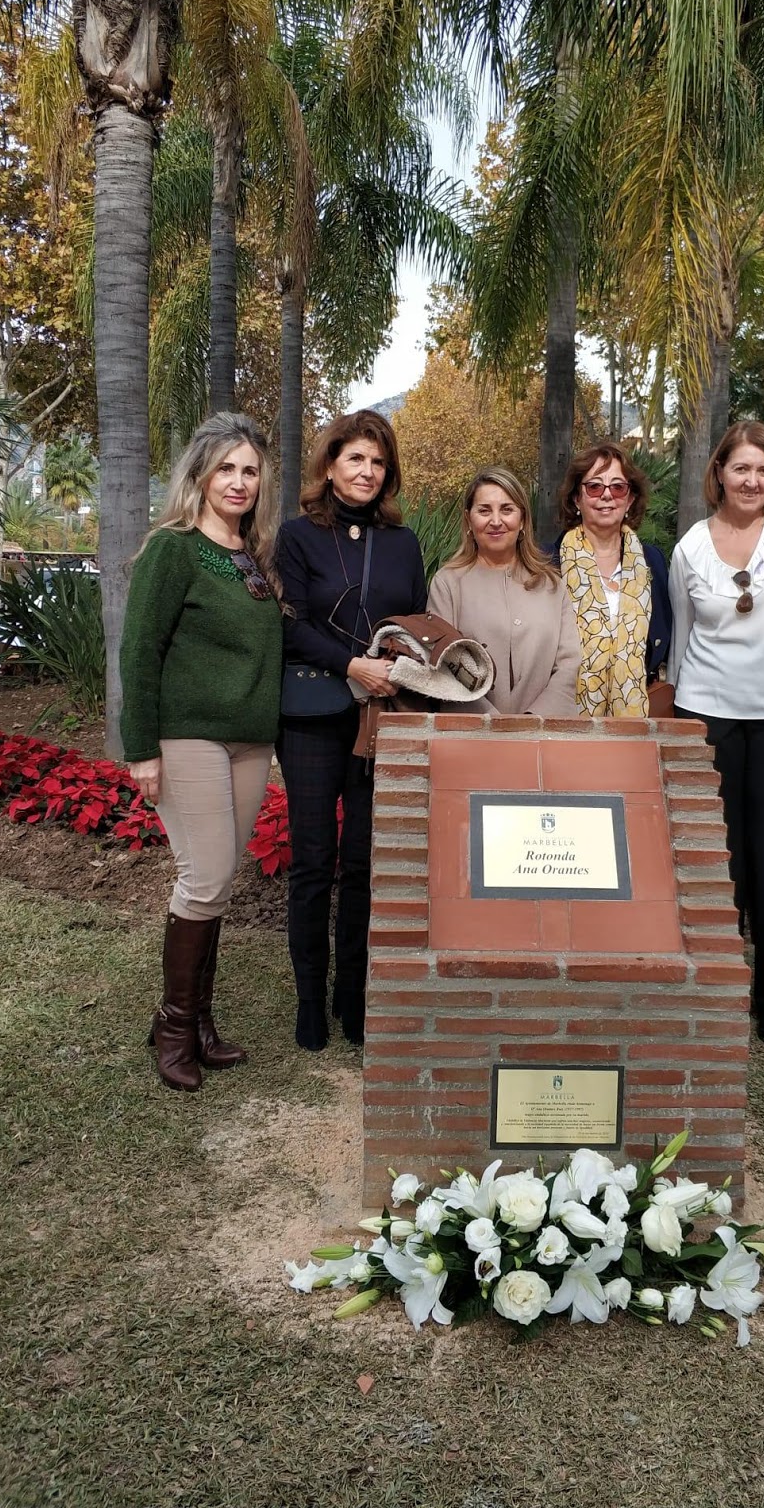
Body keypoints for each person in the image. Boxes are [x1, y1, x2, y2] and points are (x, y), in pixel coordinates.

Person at [120, 412, 283, 1092]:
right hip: (188, 737)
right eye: (227, 469)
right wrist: (141, 750)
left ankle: (200, 1022)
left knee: (216, 882)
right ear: (200, 474)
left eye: (249, 470)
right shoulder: (174, 549)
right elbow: (139, 650)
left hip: (249, 742)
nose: (239, 482)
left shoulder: (254, 557)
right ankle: (174, 1025)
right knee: (206, 876)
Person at [668, 421, 764, 1042]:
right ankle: (717, 988)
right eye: (741, 468)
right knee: (718, 862)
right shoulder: (690, 547)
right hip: (710, 717)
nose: (752, 480)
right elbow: (683, 637)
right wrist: (681, 719)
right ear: (720, 473)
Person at [276, 410, 427, 1052]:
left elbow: (416, 621)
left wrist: (397, 665)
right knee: (313, 861)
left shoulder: (404, 542)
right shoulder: (297, 536)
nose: (367, 471)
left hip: (379, 720)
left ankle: (354, 997)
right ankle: (312, 999)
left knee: (365, 863)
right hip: (313, 717)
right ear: (330, 465)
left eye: (377, 461)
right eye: (355, 458)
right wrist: (352, 664)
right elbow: (289, 623)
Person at [428, 466, 582, 717]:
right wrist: (493, 725)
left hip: (543, 737)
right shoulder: (447, 584)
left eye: (507, 509)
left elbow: (568, 664)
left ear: (522, 520)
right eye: (484, 510)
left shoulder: (552, 585)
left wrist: (533, 721)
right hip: (471, 738)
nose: (496, 521)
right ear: (468, 519)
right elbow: (445, 664)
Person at [551, 444, 671, 717]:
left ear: (629, 500)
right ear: (575, 499)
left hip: (635, 718)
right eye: (594, 487)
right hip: (562, 713)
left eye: (618, 487)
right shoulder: (548, 562)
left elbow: (663, 636)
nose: (607, 495)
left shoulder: (653, 561)